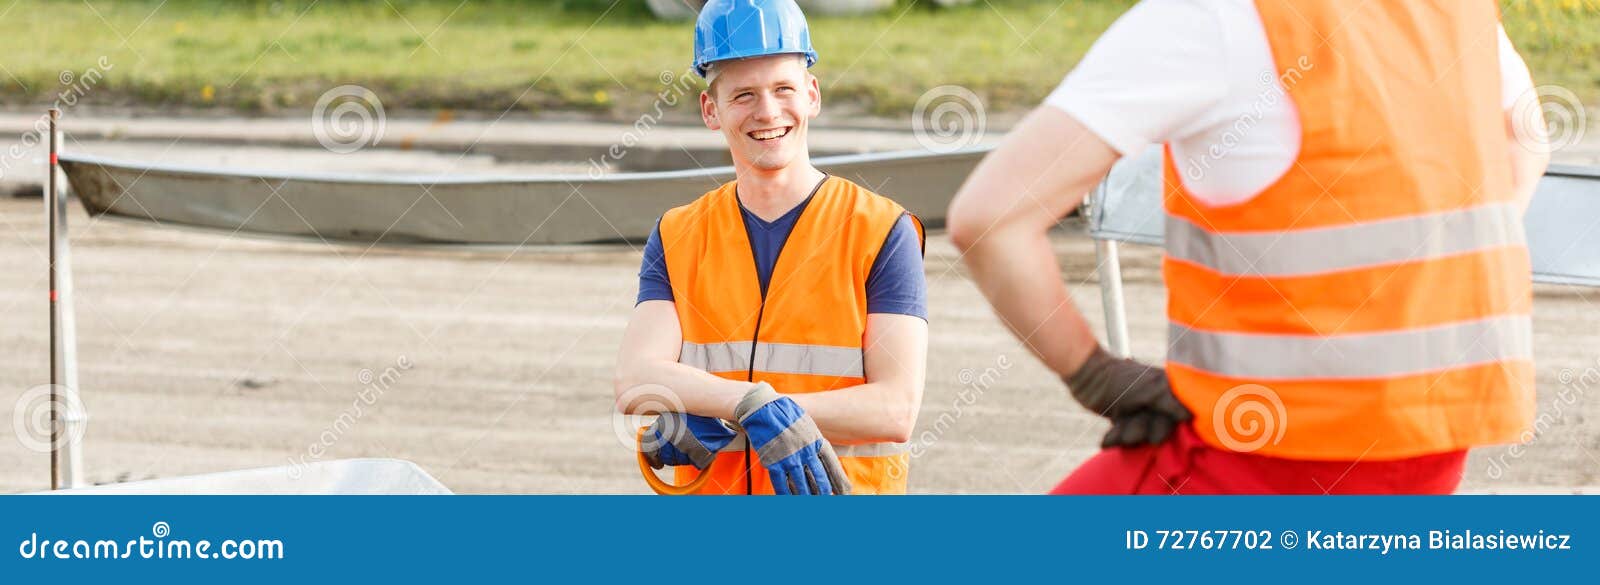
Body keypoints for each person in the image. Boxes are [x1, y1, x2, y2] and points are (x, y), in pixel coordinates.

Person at [947, 0, 1548, 494]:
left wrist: (1095, 375)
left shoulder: (1210, 20)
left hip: (1247, 469)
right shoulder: (1459, 13)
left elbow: (989, 219)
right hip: (1430, 461)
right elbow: (1526, 144)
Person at [613, 0, 929, 495]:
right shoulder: (678, 234)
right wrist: (751, 407)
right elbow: (636, 380)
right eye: (743, 95)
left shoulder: (881, 230)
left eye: (784, 89)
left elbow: (895, 408)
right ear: (710, 110)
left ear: (812, 94)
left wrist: (746, 412)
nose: (768, 111)